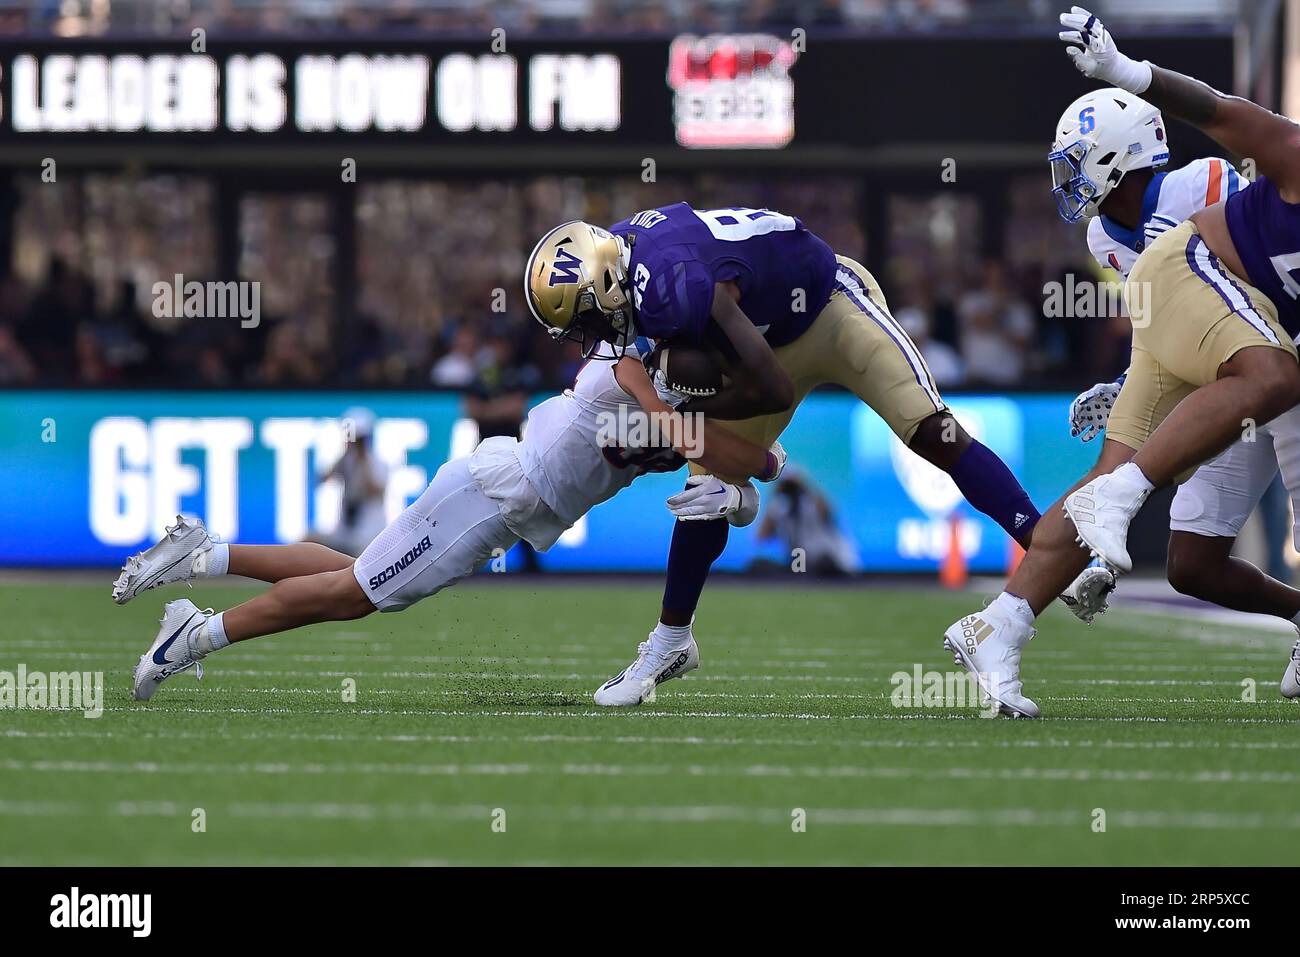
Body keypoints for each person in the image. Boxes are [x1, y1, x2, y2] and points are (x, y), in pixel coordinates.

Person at [525, 207, 1070, 705]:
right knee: (704, 494)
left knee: (935, 432)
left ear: (607, 284)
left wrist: (685, 414)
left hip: (829, 308)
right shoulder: (623, 266)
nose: (589, 337)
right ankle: (671, 642)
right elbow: (653, 364)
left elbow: (773, 388)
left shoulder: (677, 283)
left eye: (588, 321)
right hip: (754, 341)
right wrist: (677, 418)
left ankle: (1046, 552)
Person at [943, 7, 1300, 717]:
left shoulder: (1174, 200)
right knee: (1134, 470)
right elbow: (1224, 118)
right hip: (1241, 349)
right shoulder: (1210, 191)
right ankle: (1013, 609)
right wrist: (1129, 73)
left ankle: (1002, 619)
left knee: (1189, 561)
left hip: (1255, 355)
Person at [115, 338, 785, 702]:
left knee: (353, 576)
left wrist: (746, 481)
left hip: (498, 497)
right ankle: (193, 636)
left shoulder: (676, 407)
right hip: (492, 498)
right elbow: (666, 404)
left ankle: (205, 554)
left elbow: (735, 473)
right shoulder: (630, 372)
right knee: (353, 597)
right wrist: (748, 458)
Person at [1054, 86, 1300, 660]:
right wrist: (1128, 383)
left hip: (1278, 358)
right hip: (1234, 373)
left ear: (1115, 155)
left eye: (1074, 161)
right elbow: (1172, 319)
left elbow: (1243, 273)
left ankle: (1116, 497)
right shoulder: (1102, 237)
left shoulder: (1202, 182)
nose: (1066, 180)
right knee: (1190, 563)